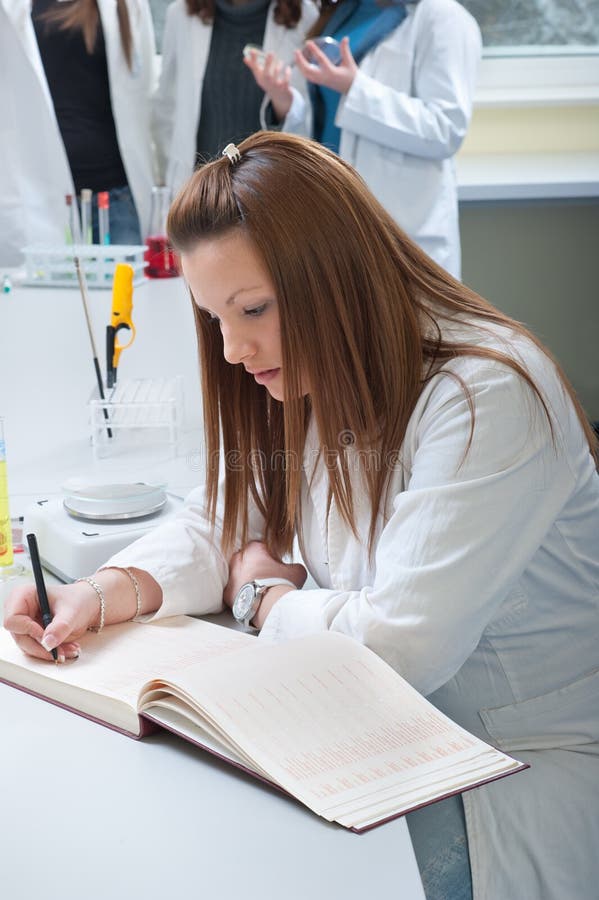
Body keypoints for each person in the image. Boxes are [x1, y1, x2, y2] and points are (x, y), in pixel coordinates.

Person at [5, 132, 599, 900]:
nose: (231, 349)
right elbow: (217, 522)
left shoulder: (486, 396)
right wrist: (103, 590)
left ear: (339, 275)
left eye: (251, 308)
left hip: (512, 762)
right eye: (215, 318)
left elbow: (397, 650)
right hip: (379, 745)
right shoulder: (315, 375)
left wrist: (266, 600)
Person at [245, 0, 482, 279]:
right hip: (329, 219)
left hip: (400, 229)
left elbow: (445, 129)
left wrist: (354, 88)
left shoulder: (441, 16)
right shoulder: (344, 13)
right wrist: (285, 102)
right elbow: (323, 121)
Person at [0, 0, 156, 263]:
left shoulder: (127, 5)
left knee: (125, 302)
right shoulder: (15, 8)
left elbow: (147, 94)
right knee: (53, 303)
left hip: (115, 194)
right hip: (46, 201)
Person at [153, 0, 318, 196]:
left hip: (267, 195)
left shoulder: (306, 17)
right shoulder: (180, 14)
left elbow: (308, 126)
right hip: (199, 196)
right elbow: (166, 107)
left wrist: (281, 99)